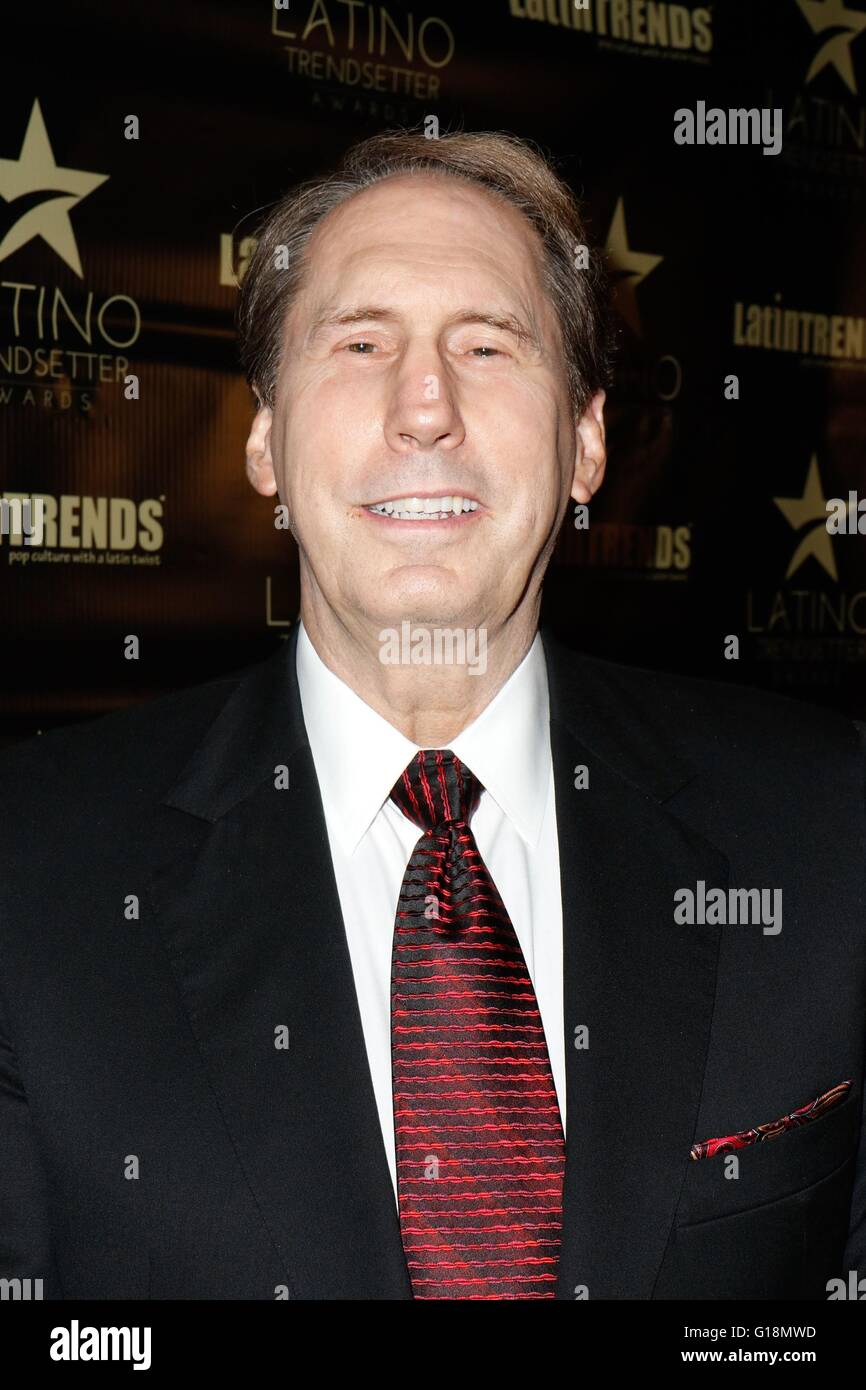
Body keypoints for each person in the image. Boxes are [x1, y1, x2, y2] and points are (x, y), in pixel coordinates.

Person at [1, 128, 863, 1301]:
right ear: (263, 435)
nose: (424, 408)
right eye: (360, 344)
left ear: (586, 441)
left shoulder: (825, 824)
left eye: (487, 345)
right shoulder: (31, 868)